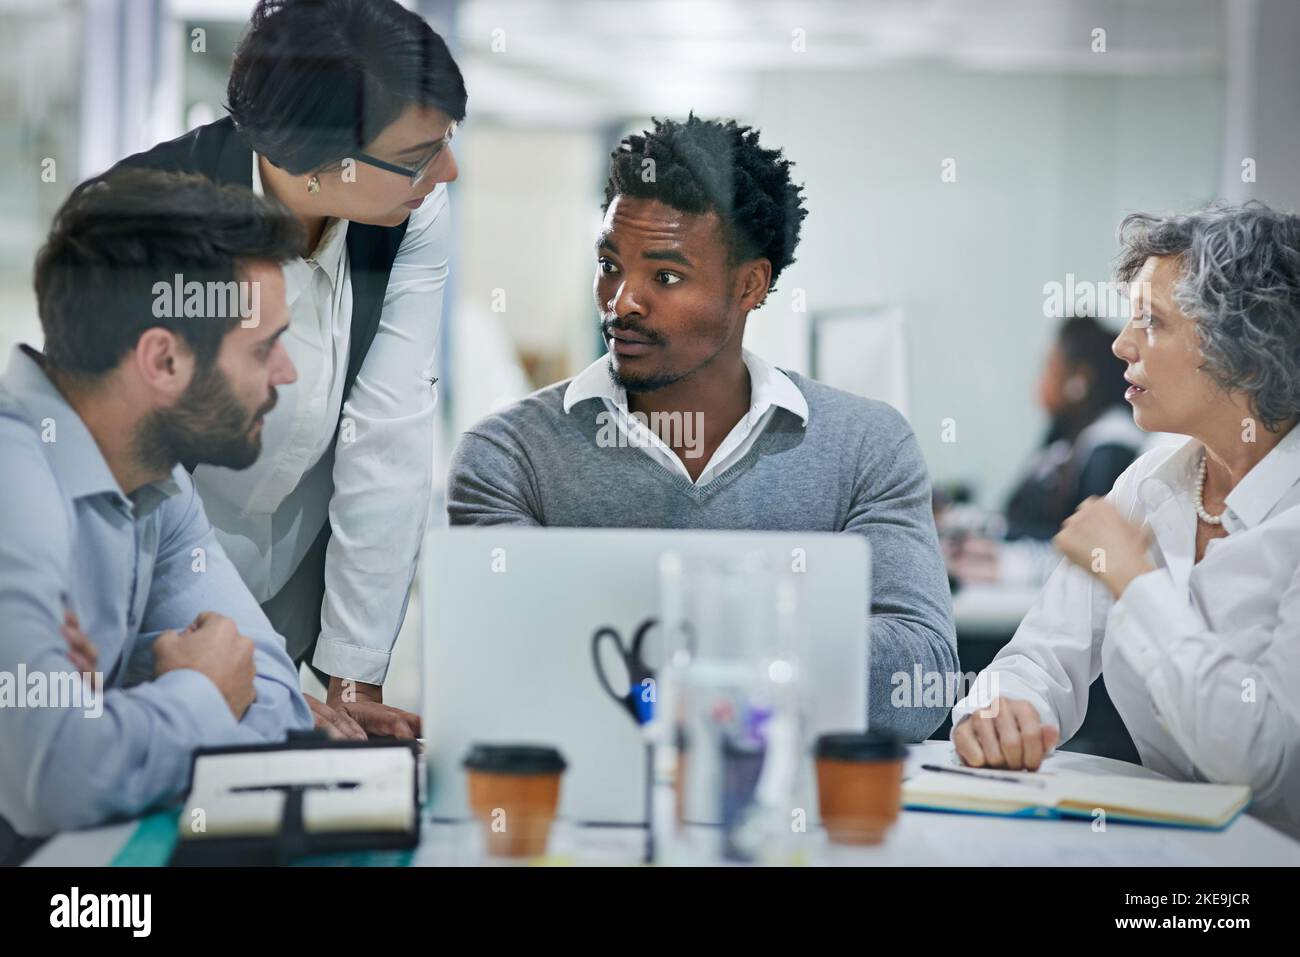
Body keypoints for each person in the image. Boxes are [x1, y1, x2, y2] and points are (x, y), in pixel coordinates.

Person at [447, 116, 958, 740]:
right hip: (575, 822)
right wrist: (774, 634)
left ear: (750, 285)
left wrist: (654, 629)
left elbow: (918, 683)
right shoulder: (509, 455)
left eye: (665, 276)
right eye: (610, 265)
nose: (622, 301)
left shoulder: (865, 446)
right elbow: (496, 672)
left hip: (790, 819)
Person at [112, 0, 468, 739]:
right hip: (153, 609)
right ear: (313, 159)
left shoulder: (408, 216)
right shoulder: (145, 225)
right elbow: (142, 484)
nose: (448, 170)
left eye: (446, 140)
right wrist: (253, 682)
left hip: (294, 594)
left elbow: (388, 437)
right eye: (419, 154)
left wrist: (348, 681)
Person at [950, 202, 1300, 838]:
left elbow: (1258, 761)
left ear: (1246, 359)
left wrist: (1134, 579)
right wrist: (1000, 711)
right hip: (1173, 854)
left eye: (1152, 322)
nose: (1121, 344)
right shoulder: (1153, 477)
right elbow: (1038, 658)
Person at [0, 169, 313, 839]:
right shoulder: (11, 480)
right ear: (163, 361)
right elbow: (55, 780)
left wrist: (117, 711)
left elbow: (278, 700)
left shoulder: (156, 480)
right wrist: (198, 693)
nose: (286, 372)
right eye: (263, 348)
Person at [946, 316, 1143, 587]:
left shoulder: (1111, 445)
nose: (1040, 381)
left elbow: (1092, 548)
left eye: (1050, 367)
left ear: (1079, 380)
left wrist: (1010, 565)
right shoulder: (1066, 438)